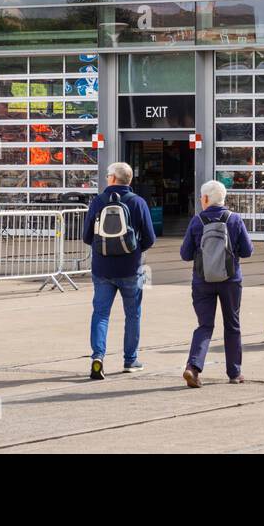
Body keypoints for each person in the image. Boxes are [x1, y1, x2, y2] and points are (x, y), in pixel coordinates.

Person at [83, 161, 157, 380]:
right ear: (129, 180)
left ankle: (98, 357)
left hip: (102, 269)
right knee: (133, 315)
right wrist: (133, 251)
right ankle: (130, 360)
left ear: (114, 179)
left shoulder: (98, 201)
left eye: (107, 175)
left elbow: (87, 236)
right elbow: (150, 238)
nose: (106, 178)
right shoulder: (138, 202)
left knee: (101, 313)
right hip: (131, 269)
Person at [180, 180, 253, 387]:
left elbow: (185, 254)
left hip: (202, 280)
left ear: (205, 199)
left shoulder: (197, 221)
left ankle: (193, 368)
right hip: (231, 280)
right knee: (232, 325)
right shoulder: (234, 219)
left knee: (204, 325)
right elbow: (247, 251)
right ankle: (234, 372)